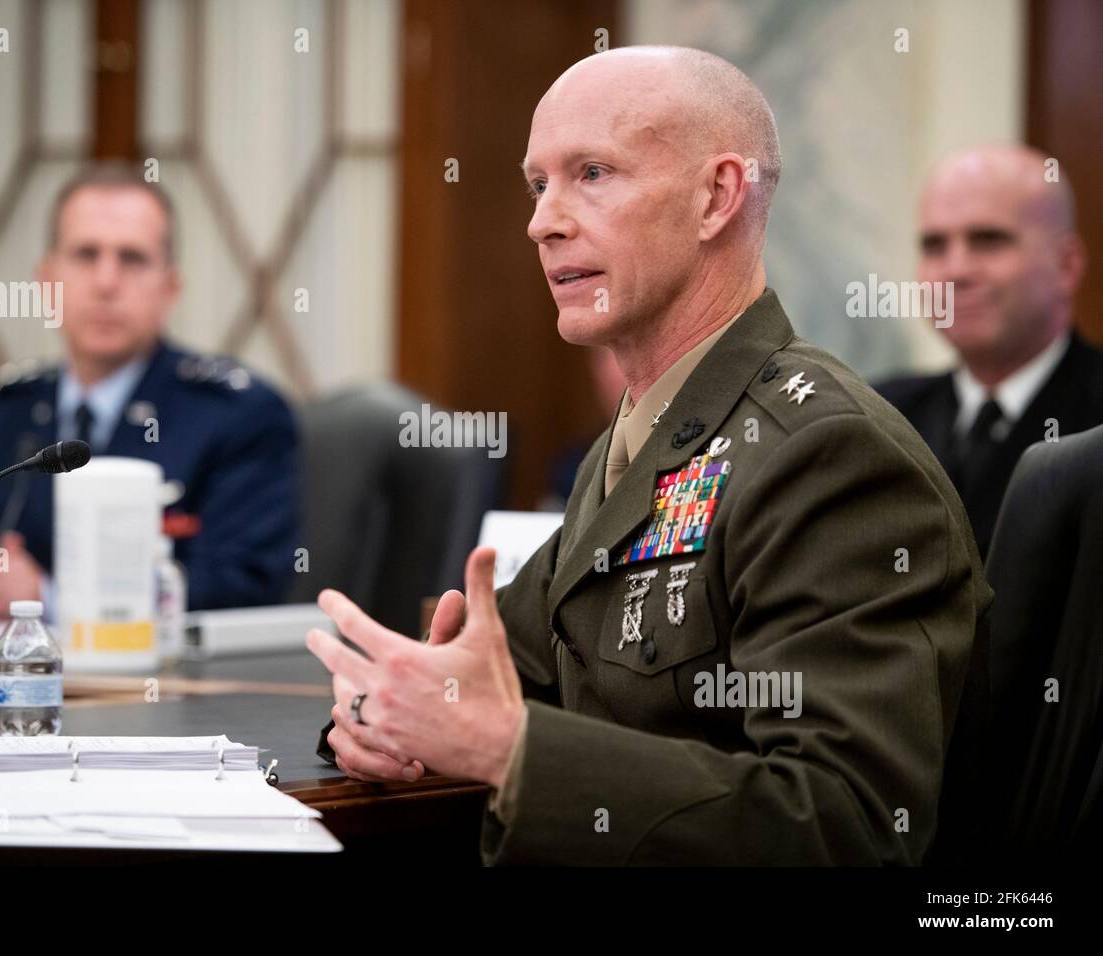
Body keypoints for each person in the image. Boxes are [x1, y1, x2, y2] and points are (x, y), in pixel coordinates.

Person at [308, 46, 991, 865]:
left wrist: (509, 752)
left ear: (717, 197)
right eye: (538, 184)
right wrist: (388, 713)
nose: (543, 220)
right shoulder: (640, 438)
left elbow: (846, 825)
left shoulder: (827, 455)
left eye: (592, 173)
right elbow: (506, 676)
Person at [0, 165, 300, 619]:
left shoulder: (236, 414)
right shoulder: (8, 411)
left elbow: (243, 588)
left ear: (169, 288)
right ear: (47, 281)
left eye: (132, 259)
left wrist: (46, 600)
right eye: (86, 255)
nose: (106, 283)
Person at [875, 144, 1103, 558]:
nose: (956, 270)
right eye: (934, 246)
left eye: (988, 240)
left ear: (1066, 265)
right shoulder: (879, 415)